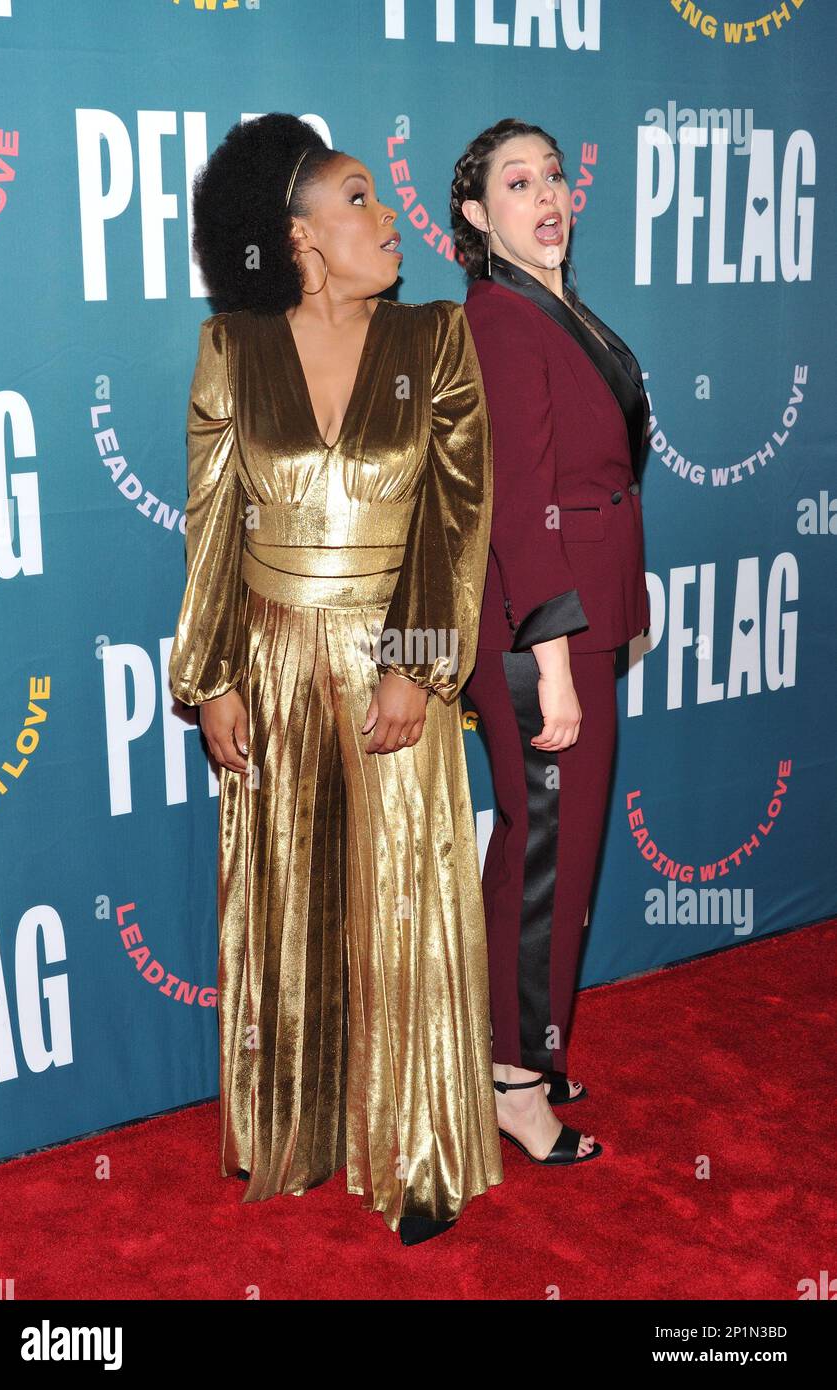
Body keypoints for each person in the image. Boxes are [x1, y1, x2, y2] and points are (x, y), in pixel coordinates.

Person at [168, 113, 502, 1245]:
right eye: (359, 198)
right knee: (285, 896)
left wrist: (414, 662)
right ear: (299, 235)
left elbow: (455, 517)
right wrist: (213, 673)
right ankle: (297, 1129)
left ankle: (418, 1153)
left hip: (390, 652)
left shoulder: (433, 337)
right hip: (266, 654)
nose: (387, 214)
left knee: (405, 897)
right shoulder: (233, 349)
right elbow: (213, 524)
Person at [452, 117, 650, 1168]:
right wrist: (557, 662)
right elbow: (519, 504)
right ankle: (514, 1088)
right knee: (546, 859)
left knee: (549, 849)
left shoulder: (551, 304)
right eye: (516, 182)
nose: (546, 196)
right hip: (540, 634)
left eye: (555, 176)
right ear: (477, 216)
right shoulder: (498, 317)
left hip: (580, 615)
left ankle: (522, 1046)